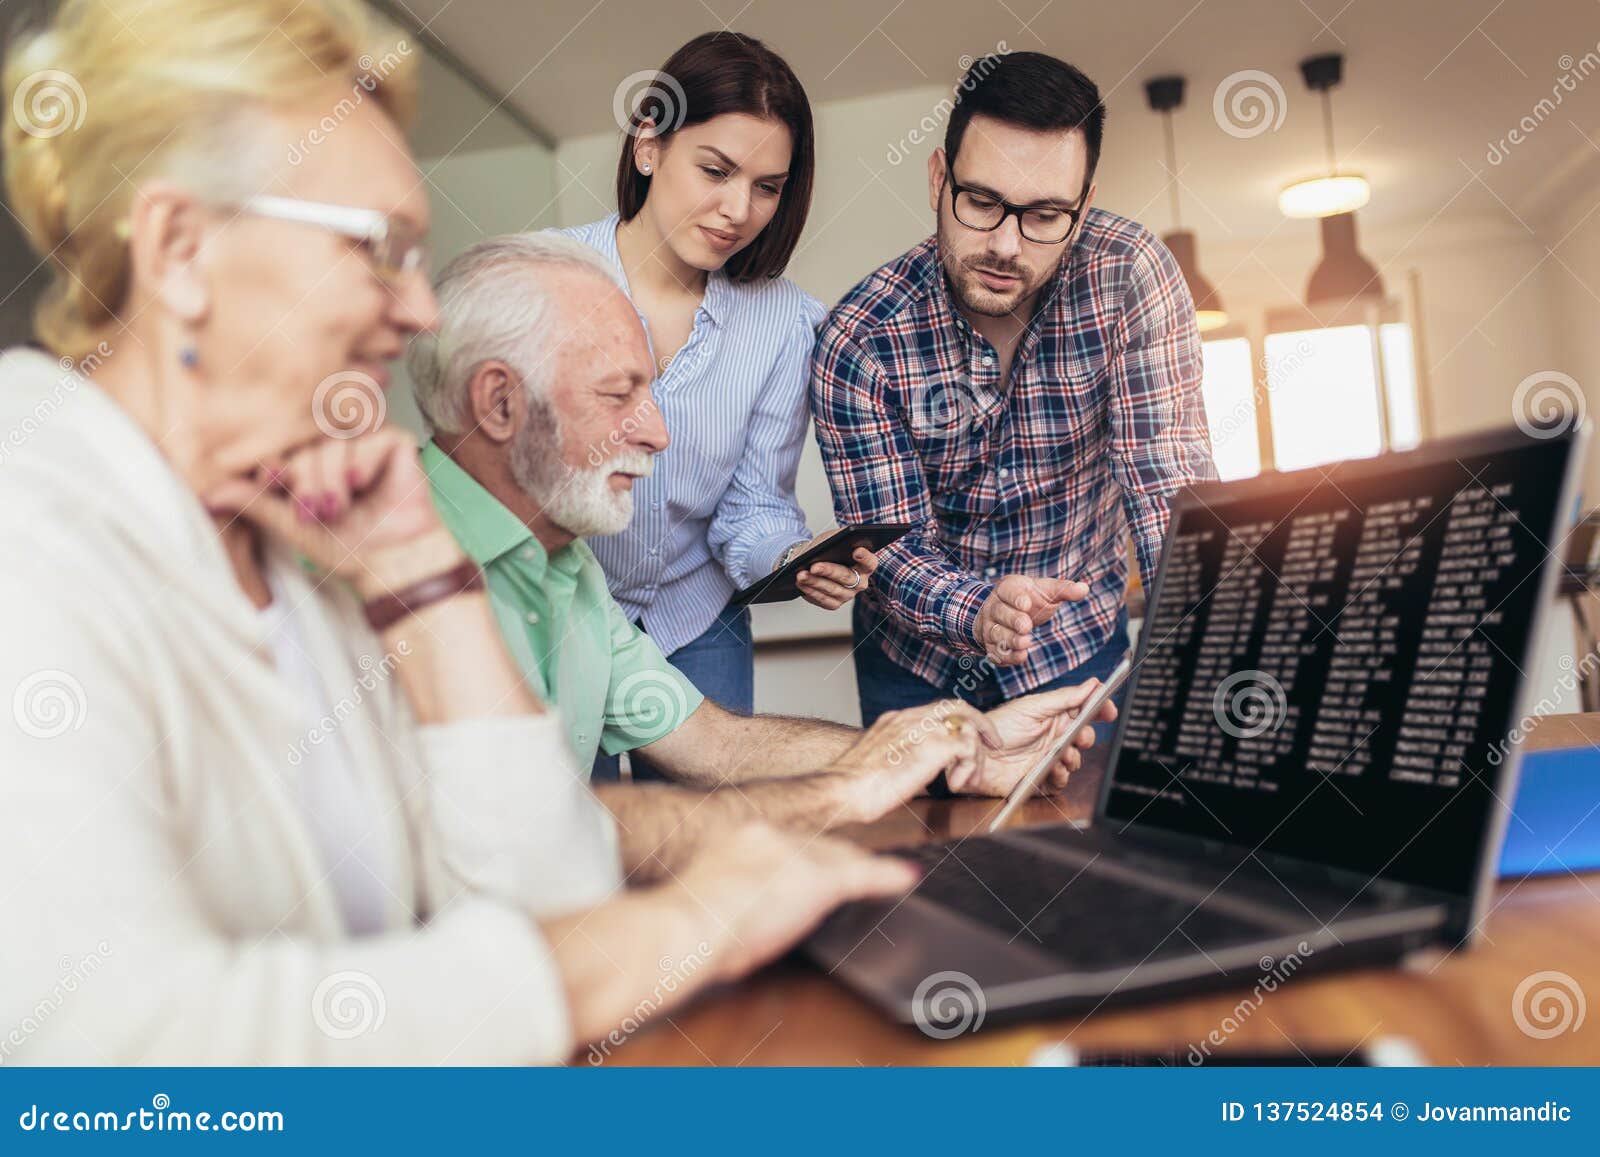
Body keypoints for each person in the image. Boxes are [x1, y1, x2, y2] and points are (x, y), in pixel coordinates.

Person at [0, 0, 980, 1065]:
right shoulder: (31, 514)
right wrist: (684, 924)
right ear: (179, 246)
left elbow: (544, 886)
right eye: (378, 248)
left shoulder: (311, 548)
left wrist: (428, 581)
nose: (423, 312)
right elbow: (96, 1059)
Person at [406, 229, 1117, 826]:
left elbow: (715, 746)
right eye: (619, 394)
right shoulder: (383, 572)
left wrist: (963, 746)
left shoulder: (570, 569)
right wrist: (843, 789)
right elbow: (529, 837)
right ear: (499, 402)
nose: (657, 434)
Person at [811, 51, 1217, 749]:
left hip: (1079, 647)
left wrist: (1205, 653)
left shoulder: (1129, 276)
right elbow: (889, 547)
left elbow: (1166, 487)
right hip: (914, 667)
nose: (1005, 245)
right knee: (925, 825)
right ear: (938, 178)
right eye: (981, 202)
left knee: (1091, 820)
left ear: (1083, 207)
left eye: (1045, 214)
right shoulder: (860, 339)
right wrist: (979, 613)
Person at [562, 32, 863, 775]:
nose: (738, 210)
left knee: (711, 834)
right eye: (716, 171)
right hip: (561, 611)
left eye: (767, 187)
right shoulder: (546, 276)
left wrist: (791, 560)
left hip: (696, 620)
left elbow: (752, 507)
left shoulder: (786, 323)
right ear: (648, 146)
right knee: (575, 826)